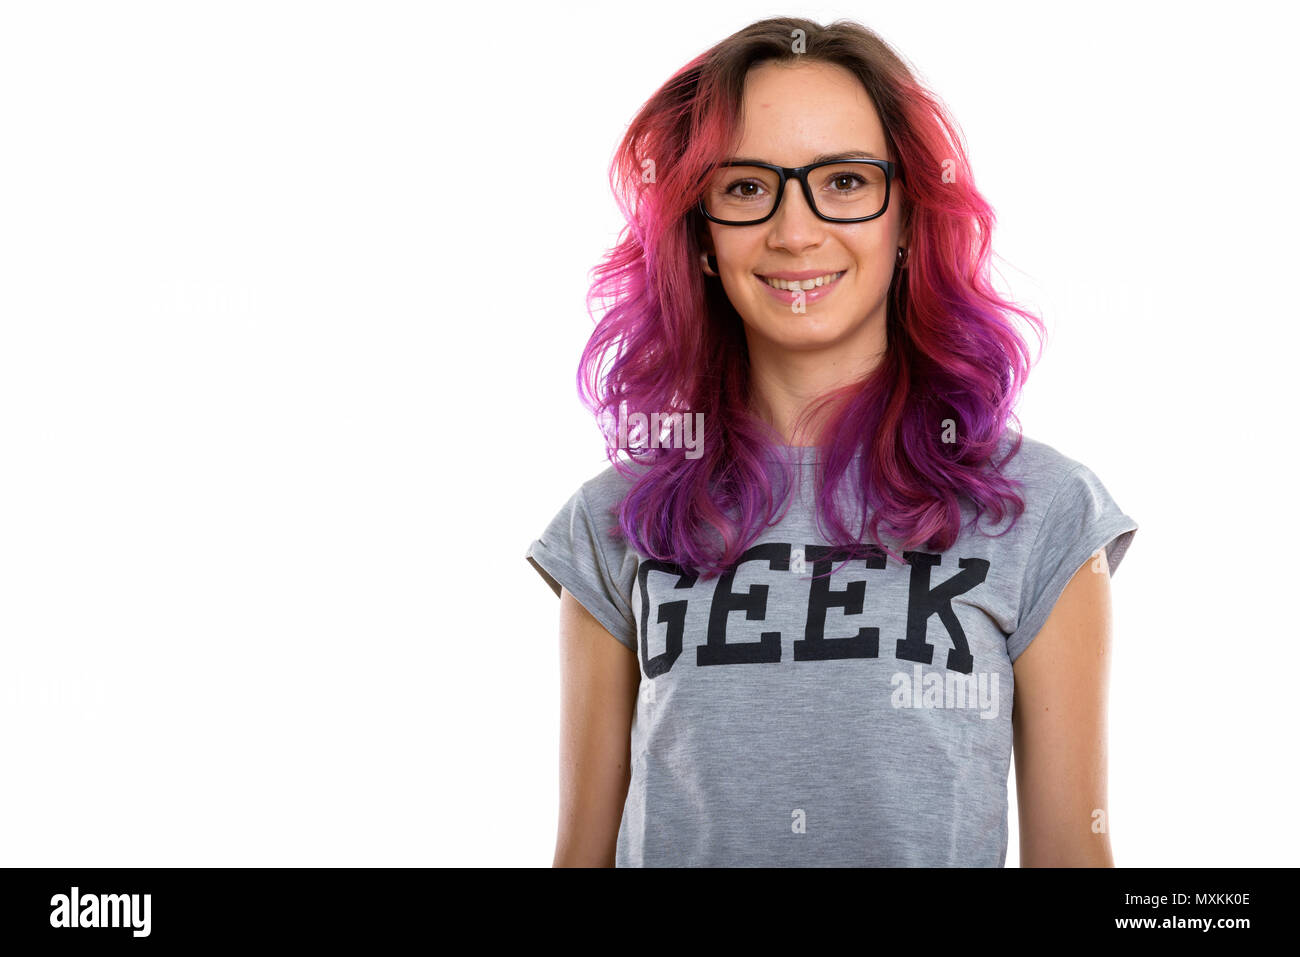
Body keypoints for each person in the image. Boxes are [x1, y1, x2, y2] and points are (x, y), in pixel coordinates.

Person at [525, 16, 1138, 867]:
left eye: (844, 181)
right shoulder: (613, 519)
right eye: (745, 188)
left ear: (910, 216)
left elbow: (1075, 855)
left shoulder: (1045, 513)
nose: (795, 231)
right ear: (700, 235)